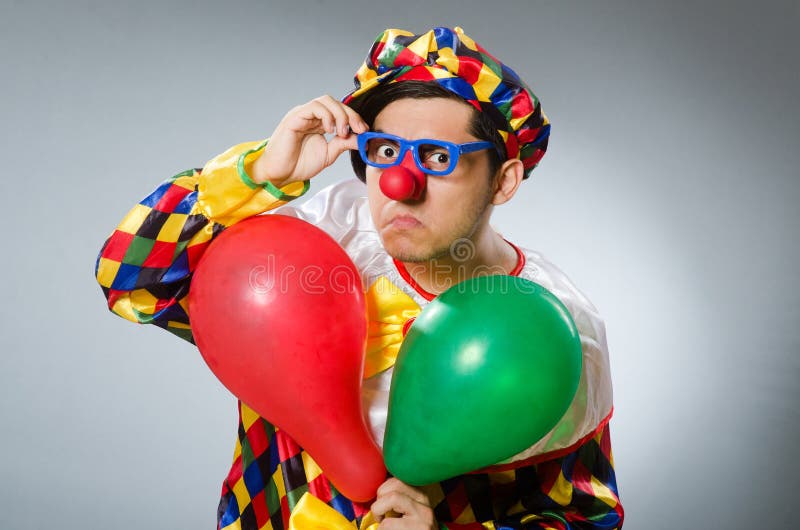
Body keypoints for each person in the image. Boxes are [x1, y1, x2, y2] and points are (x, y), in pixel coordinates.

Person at [95, 26, 623, 530]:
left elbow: (583, 517)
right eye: (386, 152)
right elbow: (131, 279)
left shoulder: (555, 333)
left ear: (503, 180)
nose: (399, 184)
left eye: (438, 157)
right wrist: (259, 175)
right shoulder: (320, 242)